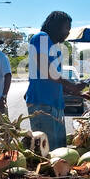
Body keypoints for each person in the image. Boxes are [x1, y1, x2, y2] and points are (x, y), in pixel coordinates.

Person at [21, 11, 75, 148]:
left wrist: (80, 93)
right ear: (56, 26)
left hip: (55, 105)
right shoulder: (41, 38)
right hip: (43, 105)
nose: (68, 32)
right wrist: (72, 85)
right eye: (66, 28)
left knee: (59, 149)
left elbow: (54, 81)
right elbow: (46, 70)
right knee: (47, 152)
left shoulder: (53, 46)